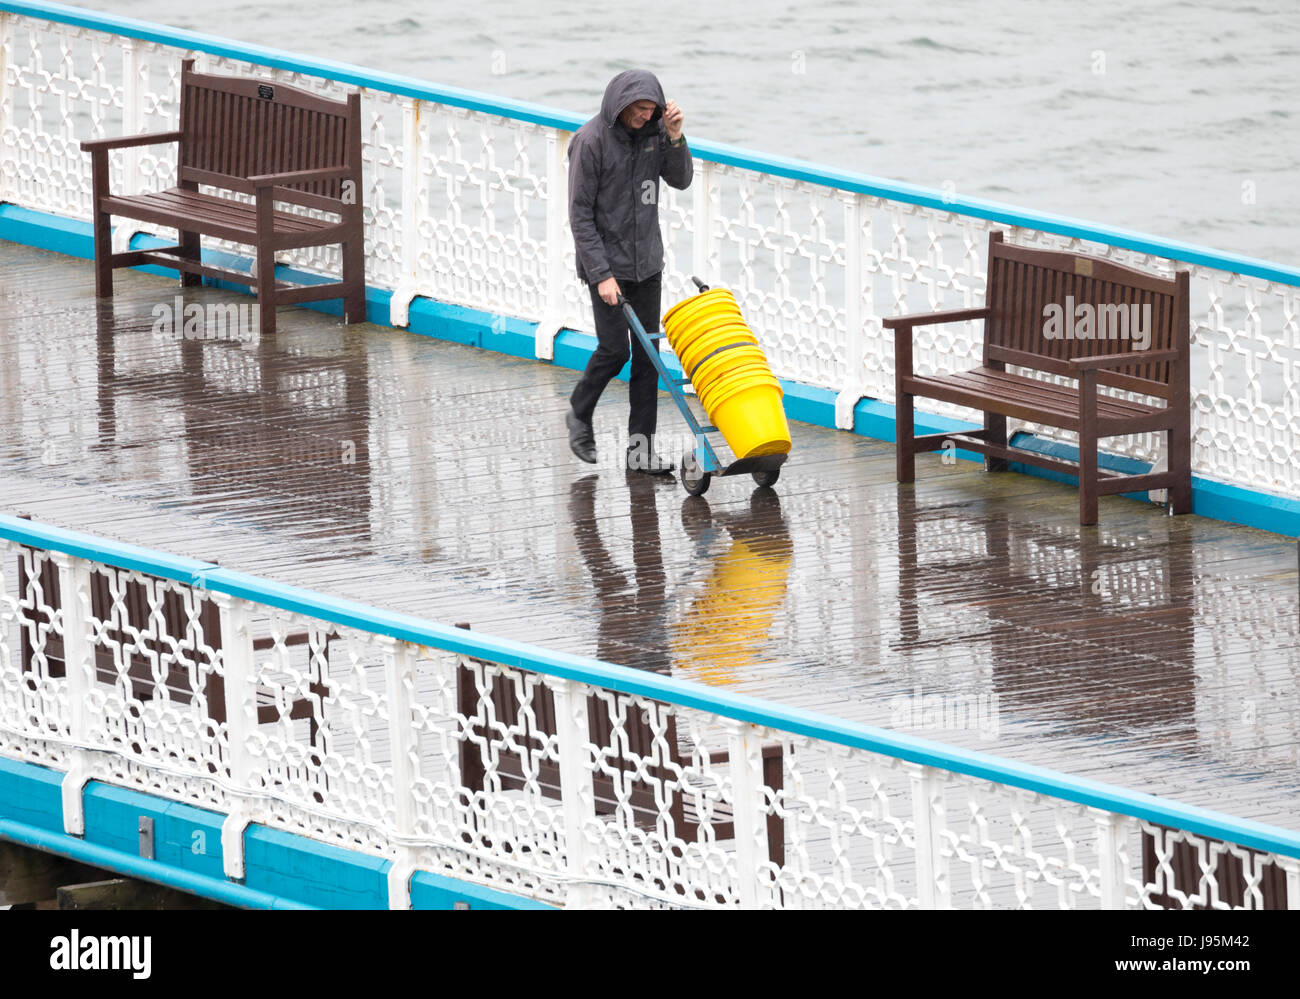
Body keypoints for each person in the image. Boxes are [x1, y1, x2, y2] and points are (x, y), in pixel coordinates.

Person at [565, 69, 693, 474]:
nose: (644, 116)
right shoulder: (589, 142)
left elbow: (681, 179)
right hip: (607, 268)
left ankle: (640, 454)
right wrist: (601, 274)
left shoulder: (656, 133)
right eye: (638, 110)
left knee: (647, 360)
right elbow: (580, 215)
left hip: (647, 264)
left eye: (651, 110)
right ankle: (579, 412)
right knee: (615, 349)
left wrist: (674, 135)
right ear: (619, 106)